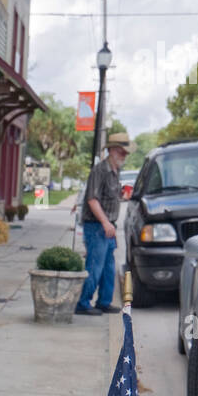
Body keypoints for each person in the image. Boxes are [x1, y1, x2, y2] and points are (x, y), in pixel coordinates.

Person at [75, 130, 132, 316]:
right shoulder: (100, 170)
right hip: (97, 226)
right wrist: (106, 223)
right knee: (95, 265)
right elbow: (92, 199)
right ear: (113, 151)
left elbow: (107, 198)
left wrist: (120, 197)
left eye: (125, 153)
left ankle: (104, 301)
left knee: (108, 267)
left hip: (108, 225)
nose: (124, 156)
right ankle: (83, 303)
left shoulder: (116, 171)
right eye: (122, 152)